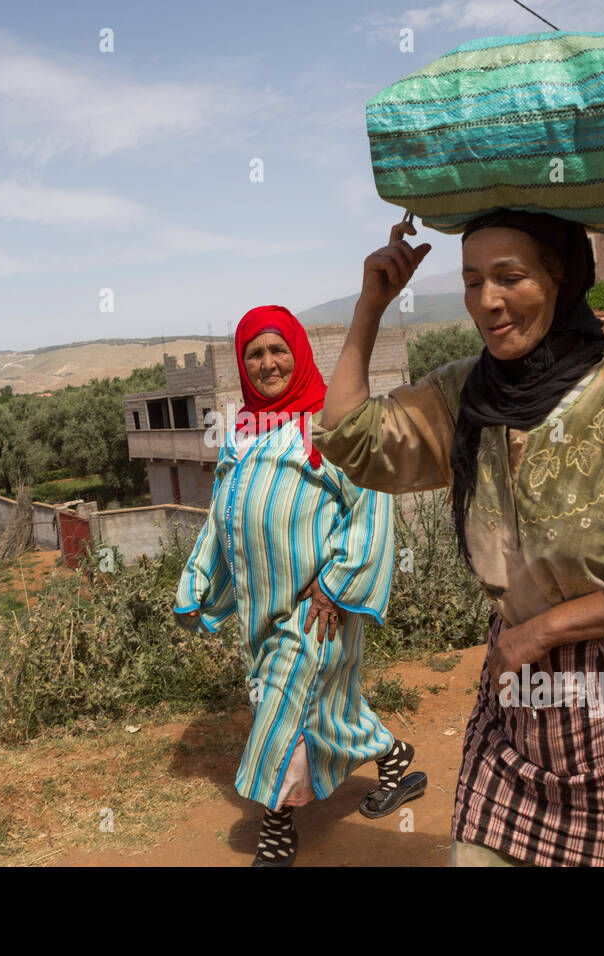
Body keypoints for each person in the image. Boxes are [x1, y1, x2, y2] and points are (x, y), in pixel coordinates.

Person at [308, 211, 604, 866]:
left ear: (561, 278)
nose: (488, 302)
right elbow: (350, 439)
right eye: (473, 281)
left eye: (510, 277)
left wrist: (542, 632)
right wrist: (370, 305)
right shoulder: (463, 396)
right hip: (522, 706)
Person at [174, 304, 426, 867]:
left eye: (277, 350)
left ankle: (276, 829)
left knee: (285, 708)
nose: (268, 363)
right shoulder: (241, 434)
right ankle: (392, 755)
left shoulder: (329, 424)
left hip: (318, 606)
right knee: (318, 707)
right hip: (259, 609)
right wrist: (197, 582)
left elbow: (372, 503)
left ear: (299, 353)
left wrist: (337, 585)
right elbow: (222, 514)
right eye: (254, 354)